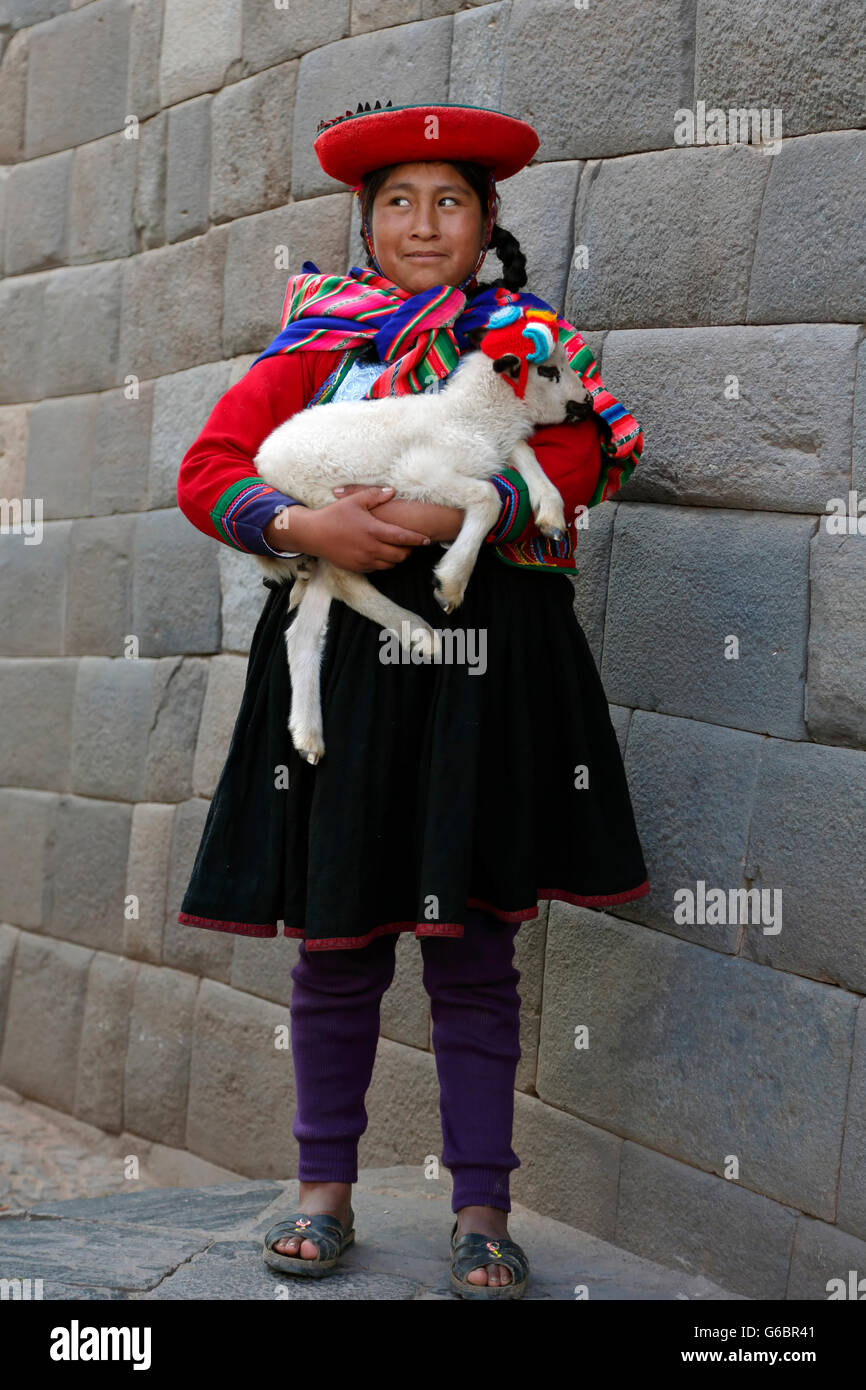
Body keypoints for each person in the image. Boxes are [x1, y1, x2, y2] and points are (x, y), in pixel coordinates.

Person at [175, 100, 650, 1299]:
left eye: (449, 202)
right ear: (365, 220)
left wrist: (441, 518)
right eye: (397, 202)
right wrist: (301, 522)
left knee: (473, 943)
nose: (422, 224)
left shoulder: (529, 343)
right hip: (347, 669)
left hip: (491, 667)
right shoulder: (314, 346)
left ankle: (481, 1204)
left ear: (487, 222)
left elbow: (582, 458)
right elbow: (210, 470)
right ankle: (321, 1188)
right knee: (338, 941)